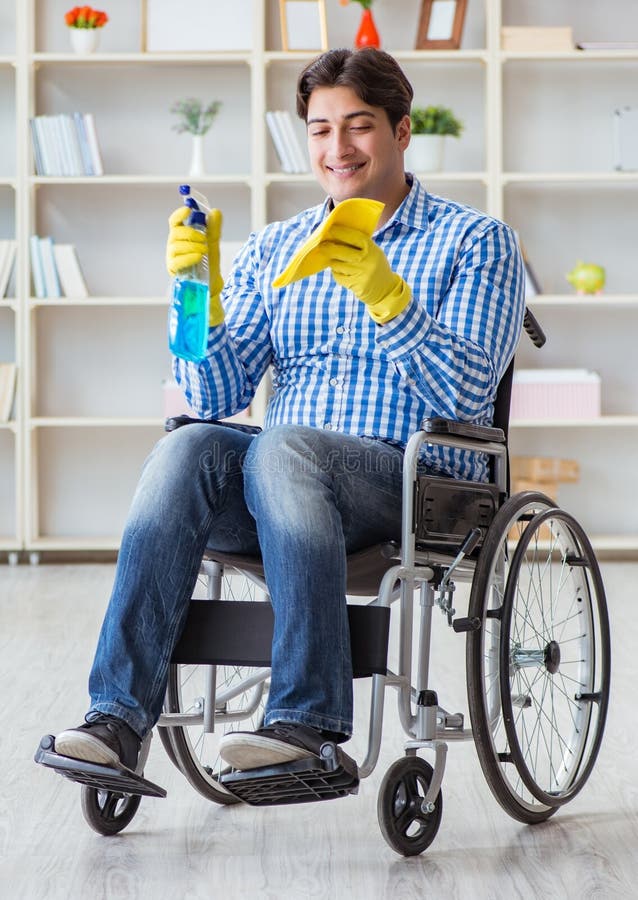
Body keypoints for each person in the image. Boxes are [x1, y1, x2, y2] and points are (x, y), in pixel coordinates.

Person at [52, 47, 524, 775]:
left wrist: (389, 297)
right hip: (281, 489)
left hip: (410, 484)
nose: (338, 148)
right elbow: (214, 396)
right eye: (320, 129)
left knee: (285, 447)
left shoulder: (477, 241)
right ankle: (116, 719)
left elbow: (466, 398)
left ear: (402, 131)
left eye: (358, 126)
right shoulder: (275, 248)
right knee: (187, 445)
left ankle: (306, 721)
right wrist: (195, 293)